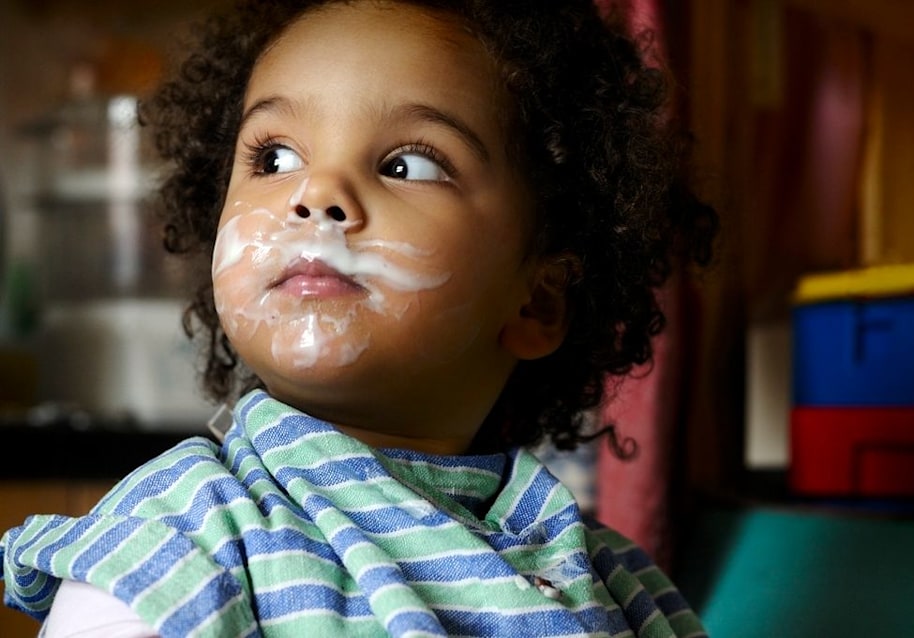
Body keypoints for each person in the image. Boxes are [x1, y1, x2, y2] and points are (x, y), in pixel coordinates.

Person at [1, 0, 717, 635]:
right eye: (275, 157)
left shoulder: (619, 584)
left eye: (408, 165)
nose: (316, 193)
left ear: (537, 301)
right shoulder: (174, 546)